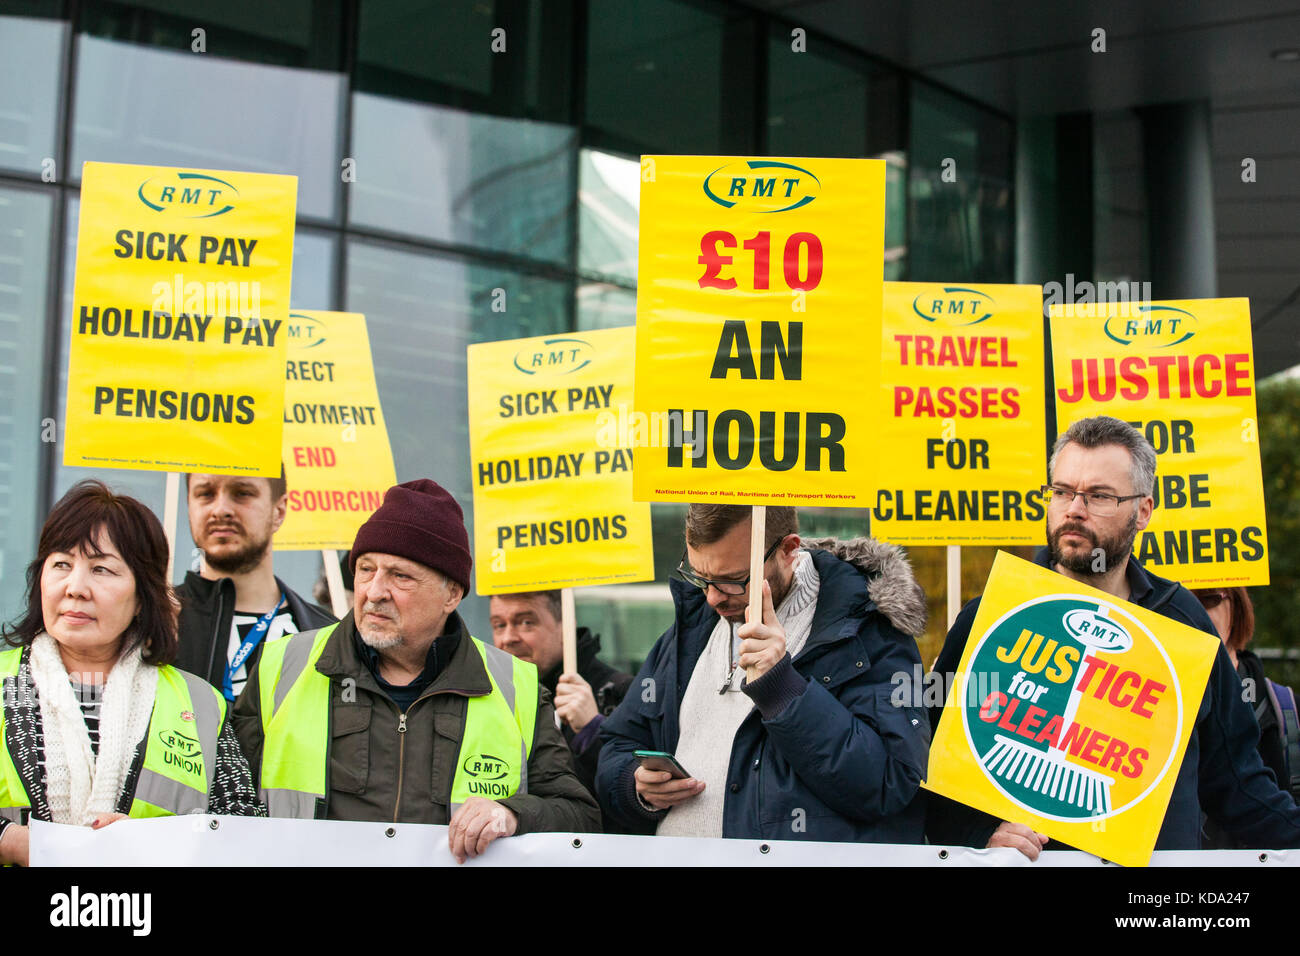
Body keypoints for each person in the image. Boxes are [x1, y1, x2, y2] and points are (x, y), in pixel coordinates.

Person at [926, 416, 1300, 858]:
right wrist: (977, 836)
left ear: (1143, 511)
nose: (1074, 509)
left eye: (1099, 496)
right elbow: (928, 767)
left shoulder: (1184, 624)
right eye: (1062, 491)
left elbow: (1238, 782)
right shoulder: (989, 616)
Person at [233, 479, 599, 862]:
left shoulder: (513, 685)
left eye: (400, 576)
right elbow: (225, 808)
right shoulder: (282, 666)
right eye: (365, 569)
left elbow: (579, 816)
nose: (374, 591)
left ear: (452, 594)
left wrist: (512, 813)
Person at [595, 504, 931, 842]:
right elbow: (617, 744)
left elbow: (888, 782)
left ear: (788, 550)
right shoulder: (693, 625)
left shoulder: (867, 629)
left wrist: (783, 689)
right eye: (700, 576)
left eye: (733, 581)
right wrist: (636, 784)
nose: (712, 597)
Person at [0, 480, 265, 866]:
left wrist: (155, 844)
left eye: (101, 569)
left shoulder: (200, 703)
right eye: (61, 564)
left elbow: (245, 838)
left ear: (143, 597)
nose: (76, 587)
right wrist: (11, 841)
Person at [175, 469, 335, 703]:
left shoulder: (329, 636)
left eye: (242, 493)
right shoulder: (152, 626)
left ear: (278, 511)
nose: (220, 510)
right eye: (206, 494)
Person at [489, 590, 633, 794]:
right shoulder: (489, 698)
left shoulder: (621, 693)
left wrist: (591, 730)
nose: (508, 638)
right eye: (499, 625)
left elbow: (635, 794)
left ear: (566, 626)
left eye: (526, 622)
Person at [1193, 586, 1300, 806]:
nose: (1189, 609)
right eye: (1174, 598)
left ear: (1237, 606)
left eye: (1208, 599)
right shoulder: (1138, 714)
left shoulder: (1288, 712)